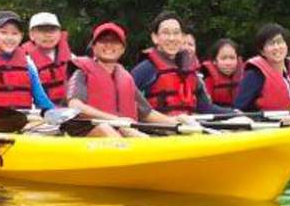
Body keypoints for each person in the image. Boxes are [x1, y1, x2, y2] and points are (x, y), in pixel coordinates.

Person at [66, 22, 196, 137]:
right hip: (90, 130)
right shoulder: (81, 72)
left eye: (115, 42)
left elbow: (147, 113)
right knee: (106, 129)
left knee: (139, 136)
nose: (109, 45)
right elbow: (76, 106)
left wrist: (177, 122)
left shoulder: (126, 78)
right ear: (94, 47)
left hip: (123, 129)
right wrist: (116, 120)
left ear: (122, 49)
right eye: (103, 41)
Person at [131, 11, 231, 116]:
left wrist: (236, 114)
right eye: (166, 33)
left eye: (176, 33)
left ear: (182, 37)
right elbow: (127, 101)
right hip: (158, 130)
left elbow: (206, 108)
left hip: (188, 128)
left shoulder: (190, 71)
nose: (172, 38)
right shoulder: (145, 69)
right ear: (155, 38)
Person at [234, 23, 290, 113]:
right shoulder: (255, 74)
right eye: (271, 44)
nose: (277, 47)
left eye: (280, 42)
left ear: (286, 45)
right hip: (271, 125)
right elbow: (239, 109)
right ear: (262, 51)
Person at [23, 12, 73, 105]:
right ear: (31, 35)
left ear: (59, 33)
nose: (48, 35)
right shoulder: (24, 61)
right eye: (42, 31)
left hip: (69, 110)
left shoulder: (73, 59)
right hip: (38, 113)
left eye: (52, 30)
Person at [201, 38, 244, 106]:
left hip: (242, 114)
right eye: (223, 58)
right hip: (217, 114)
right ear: (214, 61)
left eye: (232, 58)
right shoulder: (208, 81)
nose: (228, 63)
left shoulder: (245, 78)